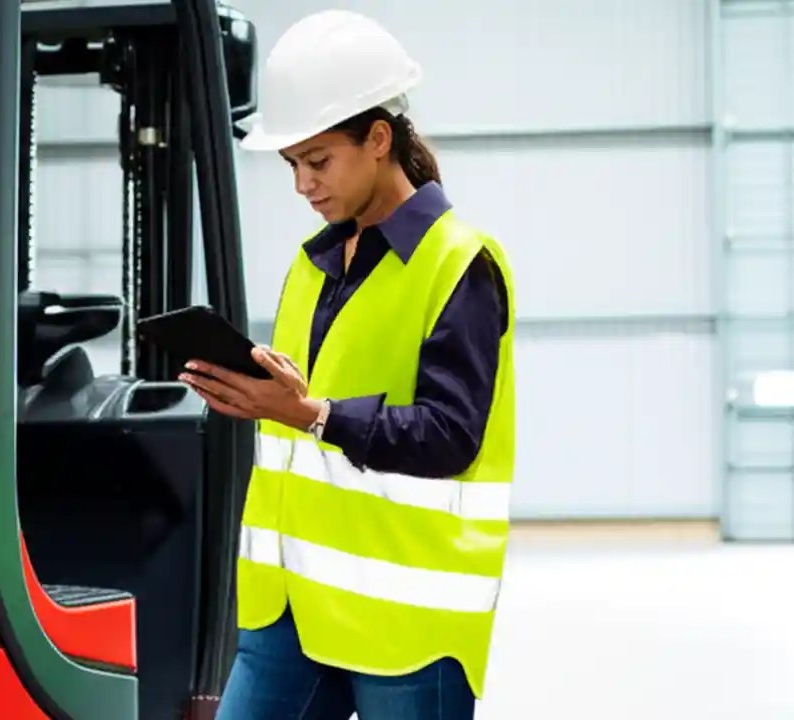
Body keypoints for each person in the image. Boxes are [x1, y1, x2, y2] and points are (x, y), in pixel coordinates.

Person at [177, 10, 517, 720]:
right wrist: (257, 395)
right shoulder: (314, 266)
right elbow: (303, 417)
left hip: (407, 623)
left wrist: (311, 414)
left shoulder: (459, 264)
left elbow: (451, 434)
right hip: (287, 609)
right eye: (292, 165)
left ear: (380, 139)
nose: (303, 184)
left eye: (318, 160)